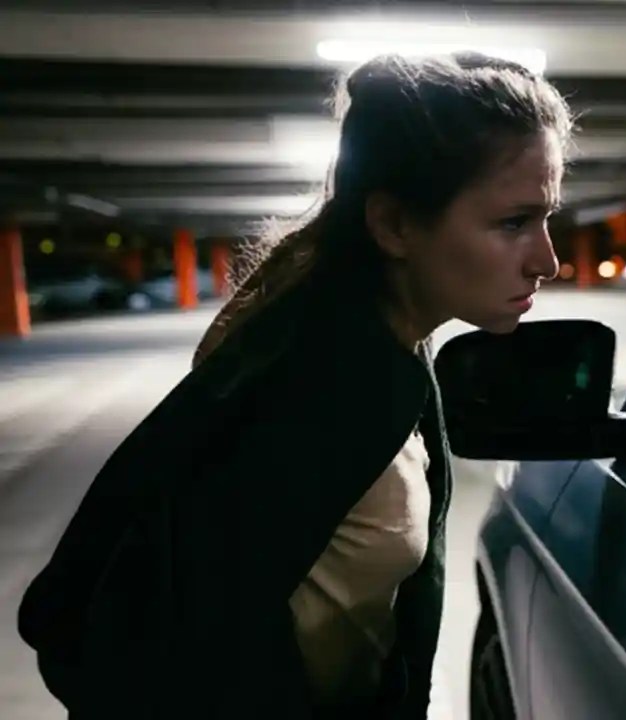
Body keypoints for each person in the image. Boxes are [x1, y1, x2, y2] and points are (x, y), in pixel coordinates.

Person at [17, 52, 572, 719]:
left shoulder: (378, 346)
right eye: (514, 223)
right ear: (394, 225)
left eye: (547, 218)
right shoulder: (325, 384)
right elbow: (202, 648)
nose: (548, 259)